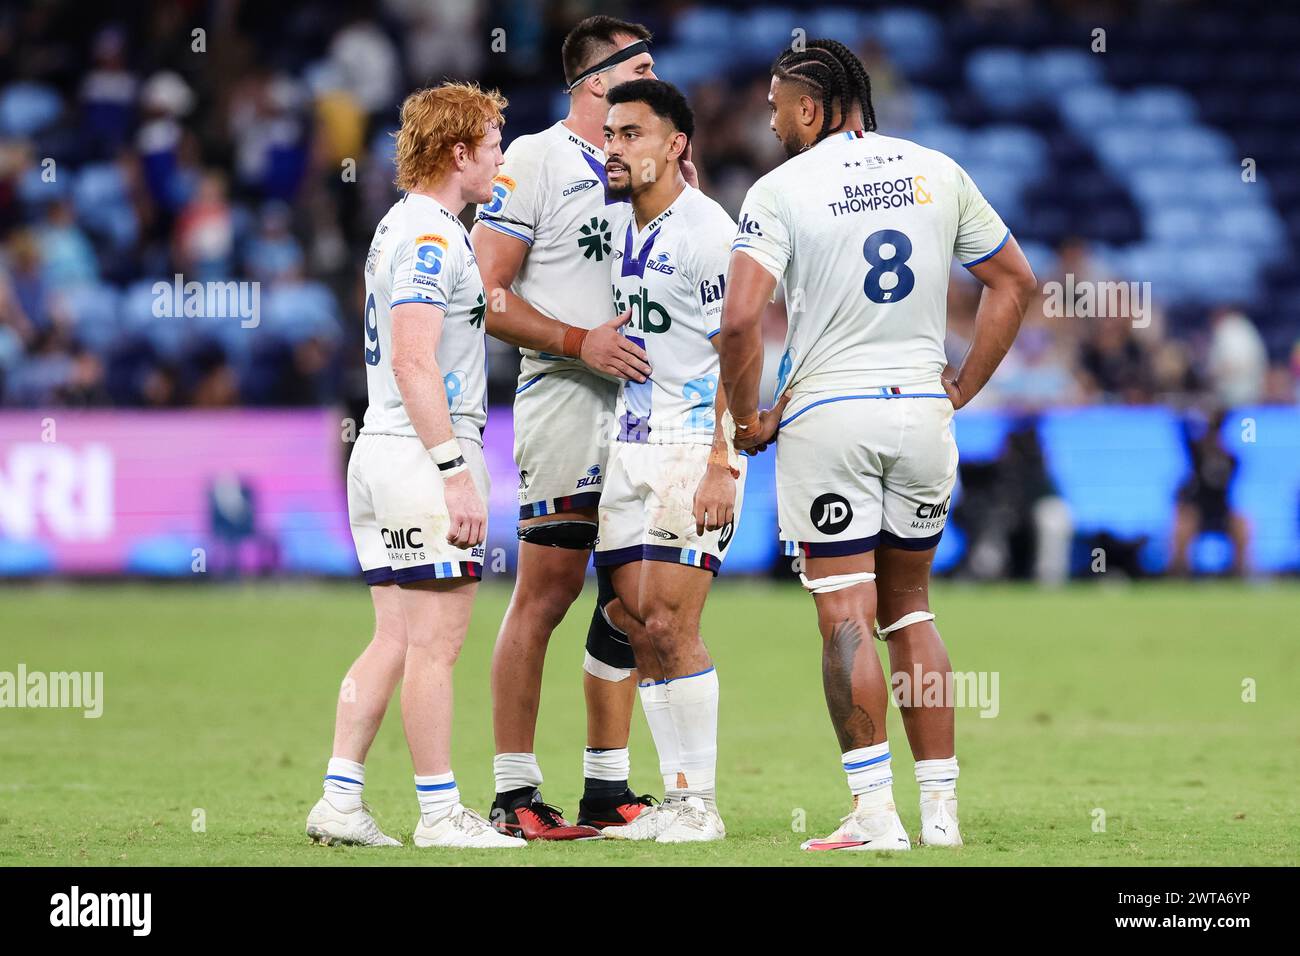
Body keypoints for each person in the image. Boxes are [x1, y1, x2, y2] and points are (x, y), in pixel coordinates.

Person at [717, 39, 1036, 851]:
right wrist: (962, 386)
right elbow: (1015, 281)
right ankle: (942, 815)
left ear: (811, 108)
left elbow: (739, 319)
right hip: (922, 413)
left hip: (831, 414)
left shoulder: (780, 189)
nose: (772, 123)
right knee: (911, 609)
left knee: (844, 613)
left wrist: (747, 418)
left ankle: (874, 813)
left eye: (778, 108)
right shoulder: (937, 170)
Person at [305, 81, 524, 850]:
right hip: (420, 456)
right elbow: (412, 358)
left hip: (379, 452)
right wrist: (454, 469)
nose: (500, 159)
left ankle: (340, 798)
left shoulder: (399, 224)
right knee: (436, 645)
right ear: (458, 153)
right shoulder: (432, 235)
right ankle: (439, 814)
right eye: (492, 145)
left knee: (395, 639)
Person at [470, 16, 674, 838]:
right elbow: (486, 295)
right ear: (596, 82)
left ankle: (606, 788)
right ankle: (513, 793)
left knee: (637, 595)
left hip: (647, 406)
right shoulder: (535, 160)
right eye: (642, 67)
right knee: (547, 592)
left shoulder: (652, 163)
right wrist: (579, 339)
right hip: (566, 396)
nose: (657, 79)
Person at [590, 80, 743, 843]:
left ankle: (699, 805)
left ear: (675, 144)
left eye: (632, 133)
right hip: (630, 444)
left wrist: (723, 458)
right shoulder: (617, 224)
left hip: (692, 445)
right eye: (609, 134)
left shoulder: (709, 231)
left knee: (668, 620)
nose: (614, 148)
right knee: (632, 621)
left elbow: (738, 352)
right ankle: (676, 801)